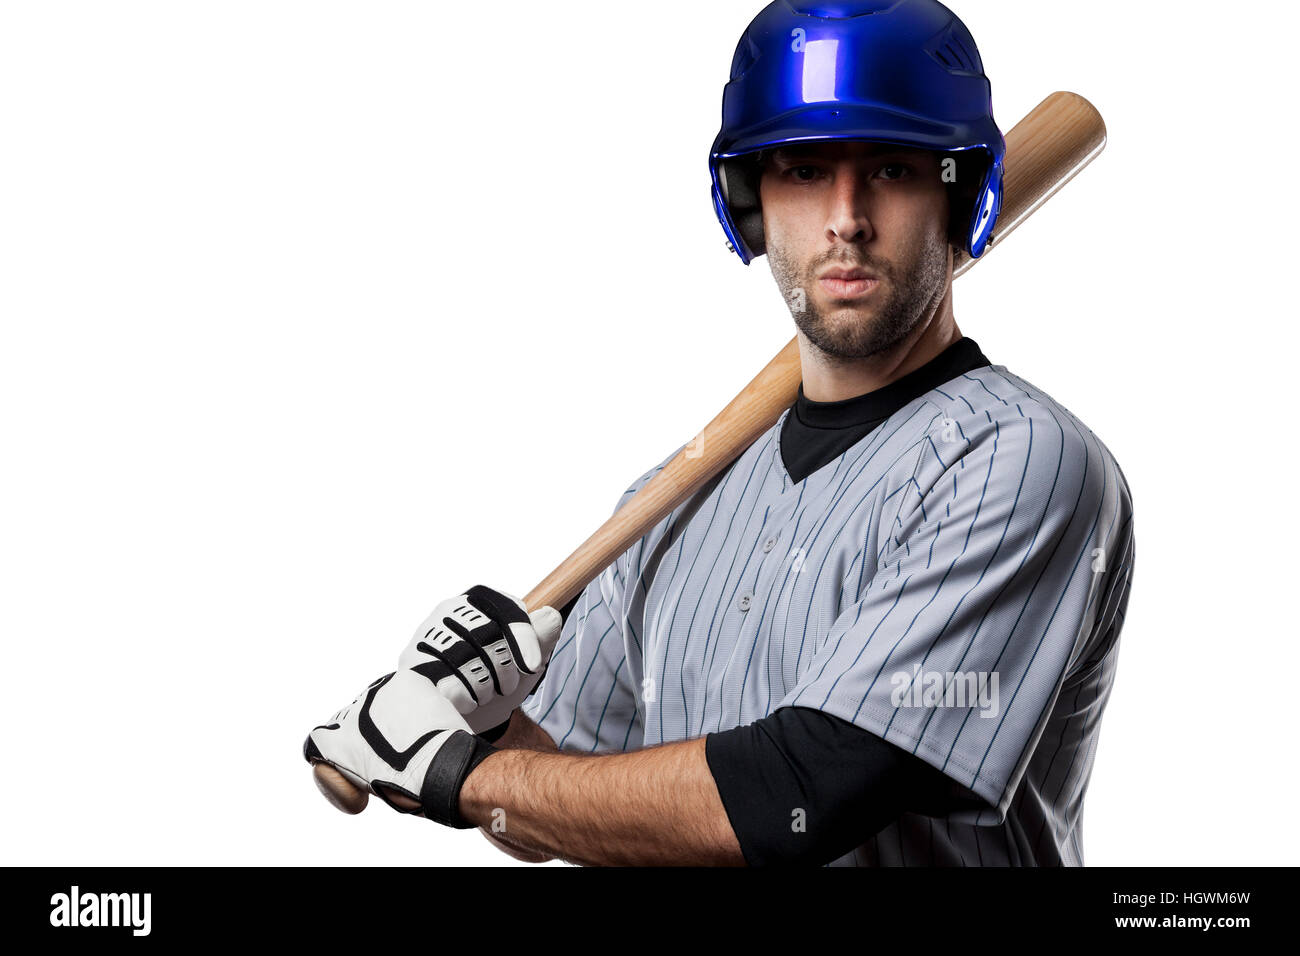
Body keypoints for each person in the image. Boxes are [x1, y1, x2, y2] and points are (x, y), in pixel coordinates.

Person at [304, 0, 1135, 867]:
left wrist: (457, 777)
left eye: (890, 169)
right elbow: (581, 798)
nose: (845, 218)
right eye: (804, 172)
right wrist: (482, 718)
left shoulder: (1019, 458)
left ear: (960, 192)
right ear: (749, 202)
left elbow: (805, 792)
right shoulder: (672, 498)